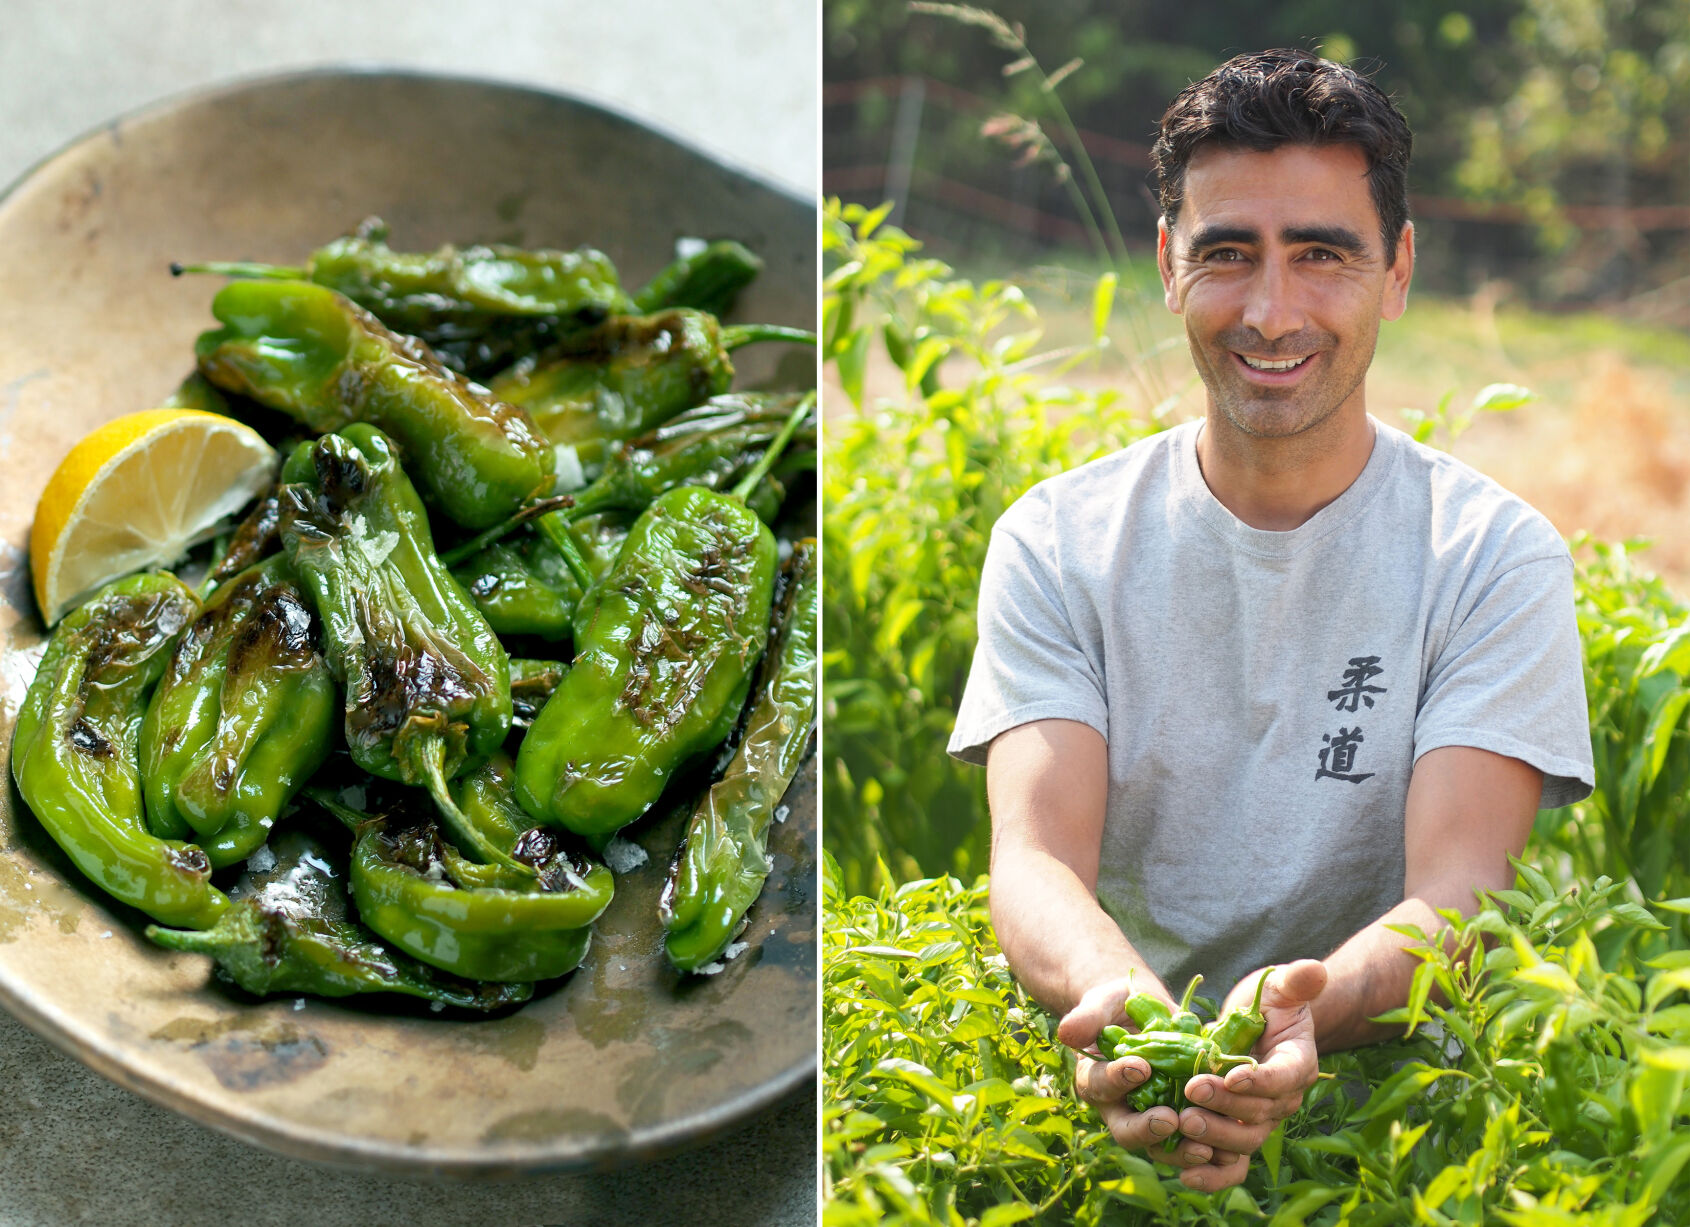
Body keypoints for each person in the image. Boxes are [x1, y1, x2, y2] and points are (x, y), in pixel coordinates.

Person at [946, 49, 1595, 1193]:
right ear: (1167, 265)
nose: (1271, 311)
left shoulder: (1490, 558)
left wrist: (1306, 1007)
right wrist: (1120, 1006)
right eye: (1228, 254)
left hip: (1391, 1130)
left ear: (1396, 270)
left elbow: (1458, 893)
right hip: (1109, 1095)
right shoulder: (1058, 540)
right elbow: (1035, 857)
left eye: (1321, 256)